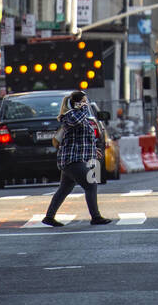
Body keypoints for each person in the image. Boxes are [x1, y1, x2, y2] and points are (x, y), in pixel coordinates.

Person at [43, 91, 112, 226]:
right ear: (77, 103)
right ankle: (96, 217)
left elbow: (82, 138)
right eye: (84, 101)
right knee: (91, 184)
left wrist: (94, 149)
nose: (86, 104)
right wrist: (84, 107)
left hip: (77, 158)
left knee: (64, 189)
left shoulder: (83, 117)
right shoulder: (69, 116)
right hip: (72, 159)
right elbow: (76, 122)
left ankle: (49, 217)